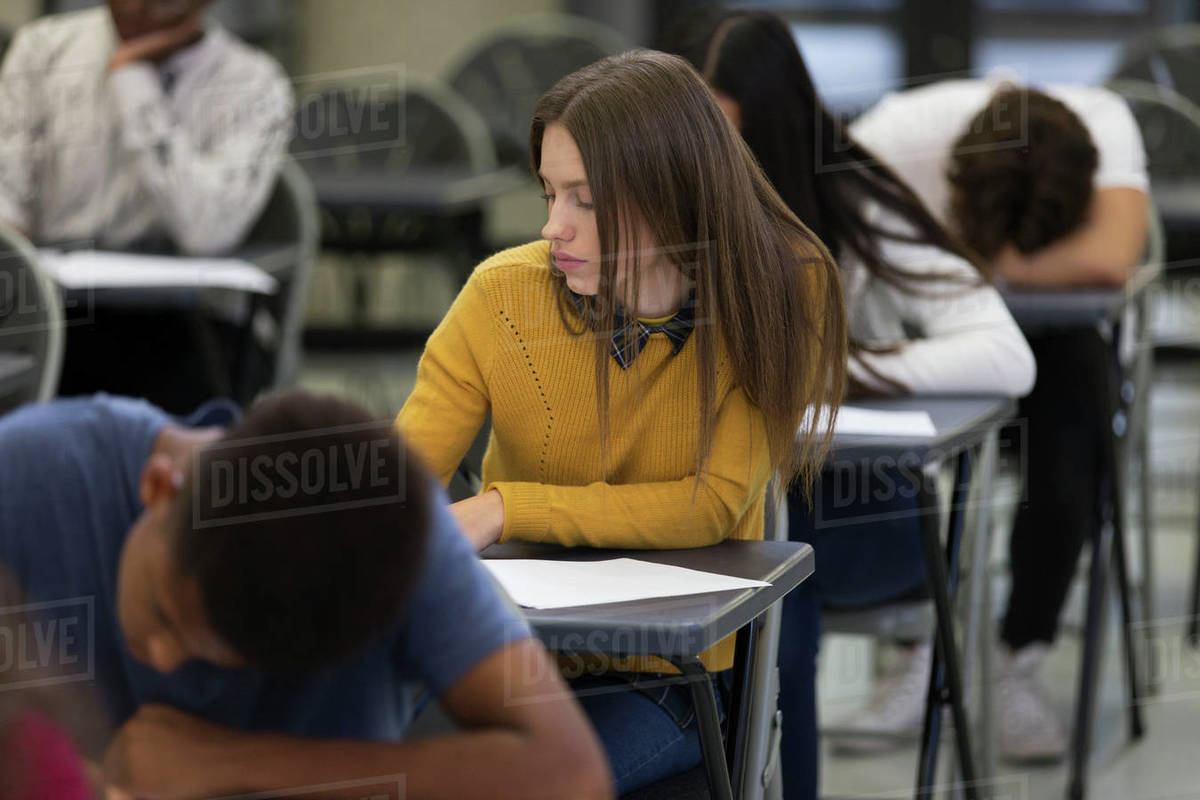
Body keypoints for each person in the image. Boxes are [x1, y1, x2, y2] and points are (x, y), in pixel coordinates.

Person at [395, 50, 848, 794]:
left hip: (669, 682)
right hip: (506, 656)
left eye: (586, 199)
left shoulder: (776, 293)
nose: (553, 226)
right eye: (548, 192)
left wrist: (509, 506)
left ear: (674, 194)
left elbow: (709, 503)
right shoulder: (499, 295)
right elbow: (403, 485)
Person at [661, 8, 1035, 798]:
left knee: (773, 607)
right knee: (741, 585)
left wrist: (850, 369)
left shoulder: (857, 199)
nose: (725, 164)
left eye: (737, 138)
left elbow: (1009, 354)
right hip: (728, 501)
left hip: (861, 515)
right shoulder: (687, 207)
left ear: (781, 131)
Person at [0, 391, 612, 799]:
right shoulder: (31, 476)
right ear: (160, 489)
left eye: (227, 661)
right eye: (163, 611)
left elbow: (570, 773)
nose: (160, 660)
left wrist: (234, 762)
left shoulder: (393, 543)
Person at [849, 75, 1149, 763]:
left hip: (1057, 333)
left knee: (1072, 449)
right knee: (882, 437)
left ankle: (1019, 656)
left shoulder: (1103, 124)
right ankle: (922, 646)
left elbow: (1108, 259)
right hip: (931, 322)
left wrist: (992, 260)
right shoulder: (894, 137)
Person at [0, 0, 295, 412]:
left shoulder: (254, 83)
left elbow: (205, 229)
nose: (137, 5)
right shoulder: (43, 49)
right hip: (53, 312)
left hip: (183, 327)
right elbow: (7, 210)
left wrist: (131, 76)